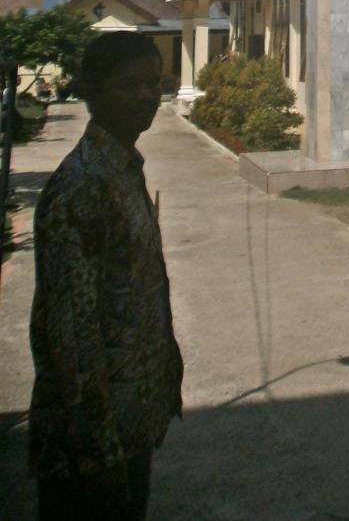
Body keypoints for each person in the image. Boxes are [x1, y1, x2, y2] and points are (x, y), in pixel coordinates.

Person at [28, 32, 183, 520]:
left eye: (152, 84)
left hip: (130, 422)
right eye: (127, 85)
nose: (144, 97)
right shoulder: (82, 187)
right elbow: (70, 338)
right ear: (91, 92)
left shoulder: (121, 168)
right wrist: (99, 458)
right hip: (93, 443)